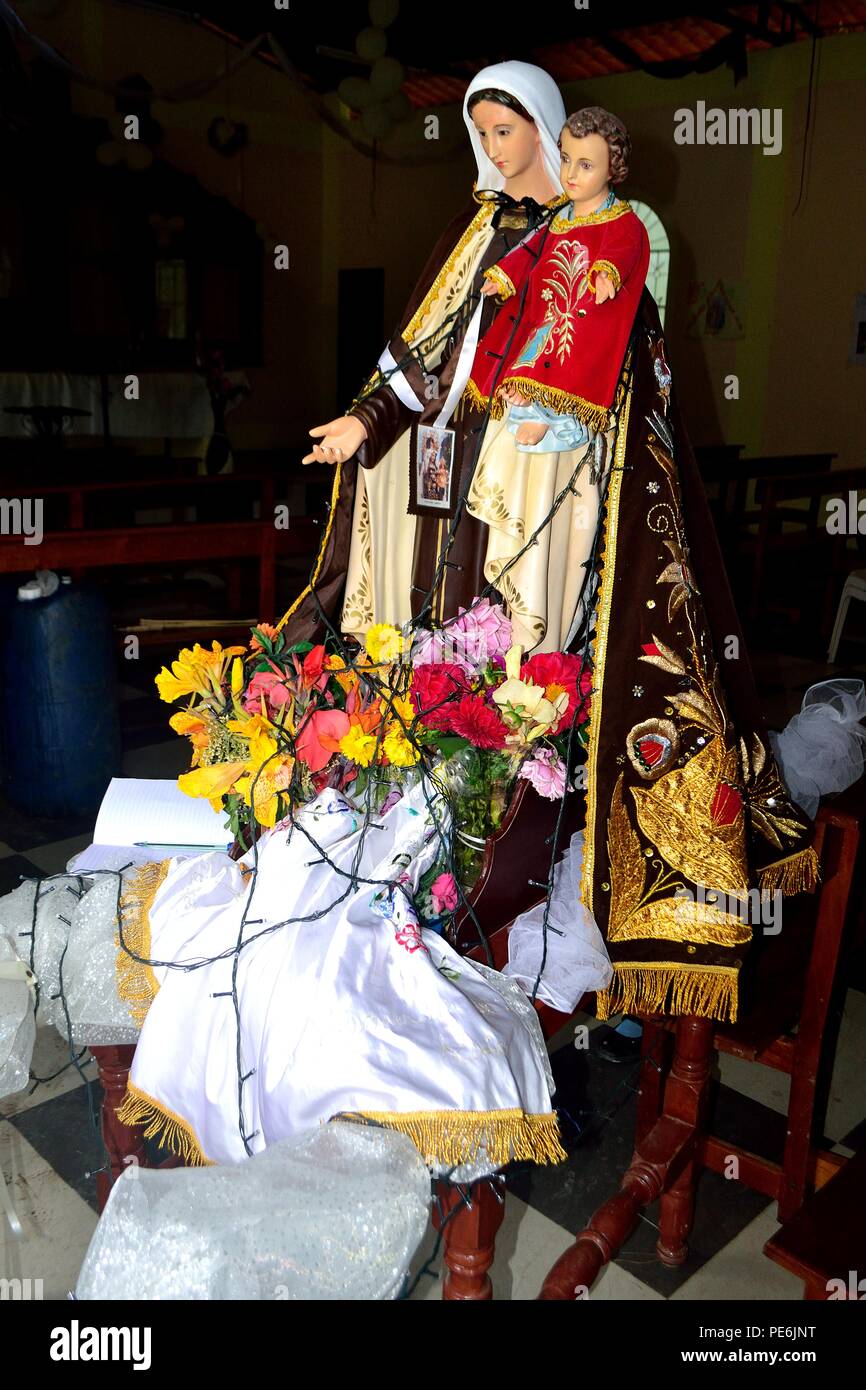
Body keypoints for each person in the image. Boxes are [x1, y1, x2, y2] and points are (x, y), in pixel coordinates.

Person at [283, 60, 571, 643]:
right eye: (482, 133)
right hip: (453, 424)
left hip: (530, 444)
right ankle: (436, 704)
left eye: (504, 130)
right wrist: (367, 421)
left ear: (540, 126)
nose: (492, 146)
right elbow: (435, 343)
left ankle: (502, 710)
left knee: (507, 584)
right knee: (434, 579)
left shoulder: (579, 232)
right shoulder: (472, 231)